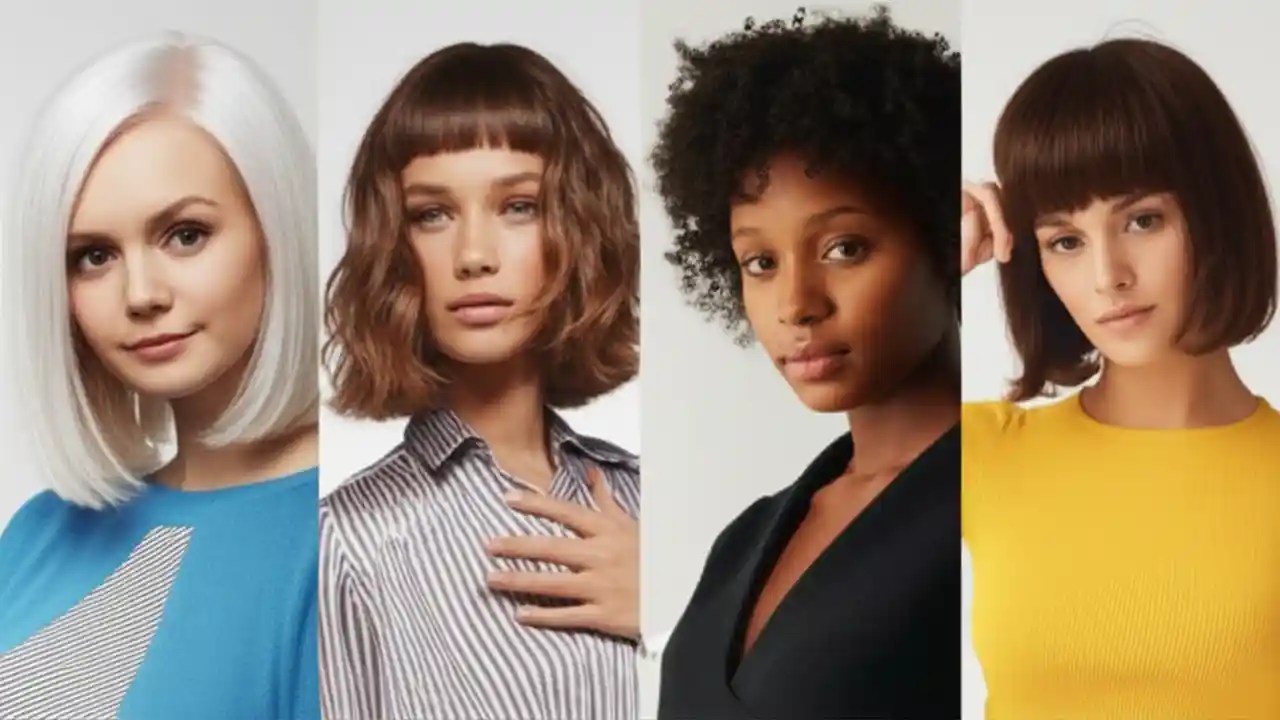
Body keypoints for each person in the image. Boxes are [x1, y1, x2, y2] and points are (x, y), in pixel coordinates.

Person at [650, 9, 960, 719]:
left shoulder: (996, 503)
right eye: (759, 262)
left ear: (944, 238)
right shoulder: (747, 539)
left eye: (844, 247)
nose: (796, 303)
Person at [318, 42, 641, 720]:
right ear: (394, 246)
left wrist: (670, 611)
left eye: (518, 206)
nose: (473, 256)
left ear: (577, 227)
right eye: (431, 214)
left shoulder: (649, 500)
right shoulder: (351, 541)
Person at [0, 36, 319, 719]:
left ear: (277, 228)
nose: (141, 293)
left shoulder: (354, 534)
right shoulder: (37, 536)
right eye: (92, 256)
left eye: (185, 234)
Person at [962, 37, 1280, 718]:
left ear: (1217, 213)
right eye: (1065, 241)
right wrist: (923, 265)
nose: (1108, 276)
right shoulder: (981, 452)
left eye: (1143, 220)